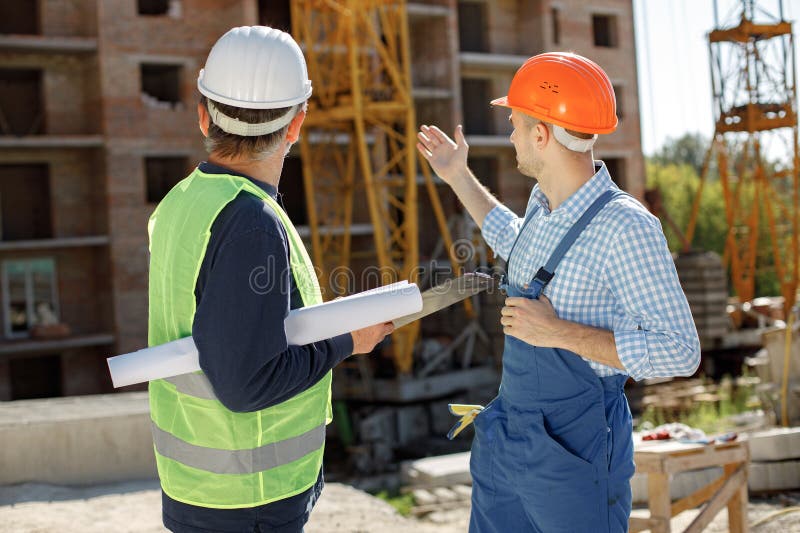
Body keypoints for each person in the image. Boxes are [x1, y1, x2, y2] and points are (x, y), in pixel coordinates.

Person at [417, 52, 700, 532]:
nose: (510, 136)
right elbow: (511, 237)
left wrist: (559, 332)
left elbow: (680, 352)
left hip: (575, 452)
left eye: (515, 123)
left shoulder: (625, 227)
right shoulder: (543, 207)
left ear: (542, 135)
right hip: (509, 438)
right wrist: (457, 175)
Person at [147, 26, 393, 533]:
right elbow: (246, 382)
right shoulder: (250, 222)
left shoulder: (180, 202)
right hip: (248, 493)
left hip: (199, 484)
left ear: (202, 116)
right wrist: (349, 339)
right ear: (297, 124)